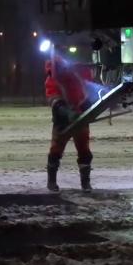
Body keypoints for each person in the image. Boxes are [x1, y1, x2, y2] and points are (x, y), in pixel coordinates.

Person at [45, 57, 94, 193]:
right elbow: (54, 100)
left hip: (80, 117)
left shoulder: (78, 76)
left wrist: (87, 107)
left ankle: (85, 183)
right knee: (56, 150)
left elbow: (86, 93)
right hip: (62, 120)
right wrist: (67, 112)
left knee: (84, 151)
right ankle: (52, 181)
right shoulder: (53, 80)